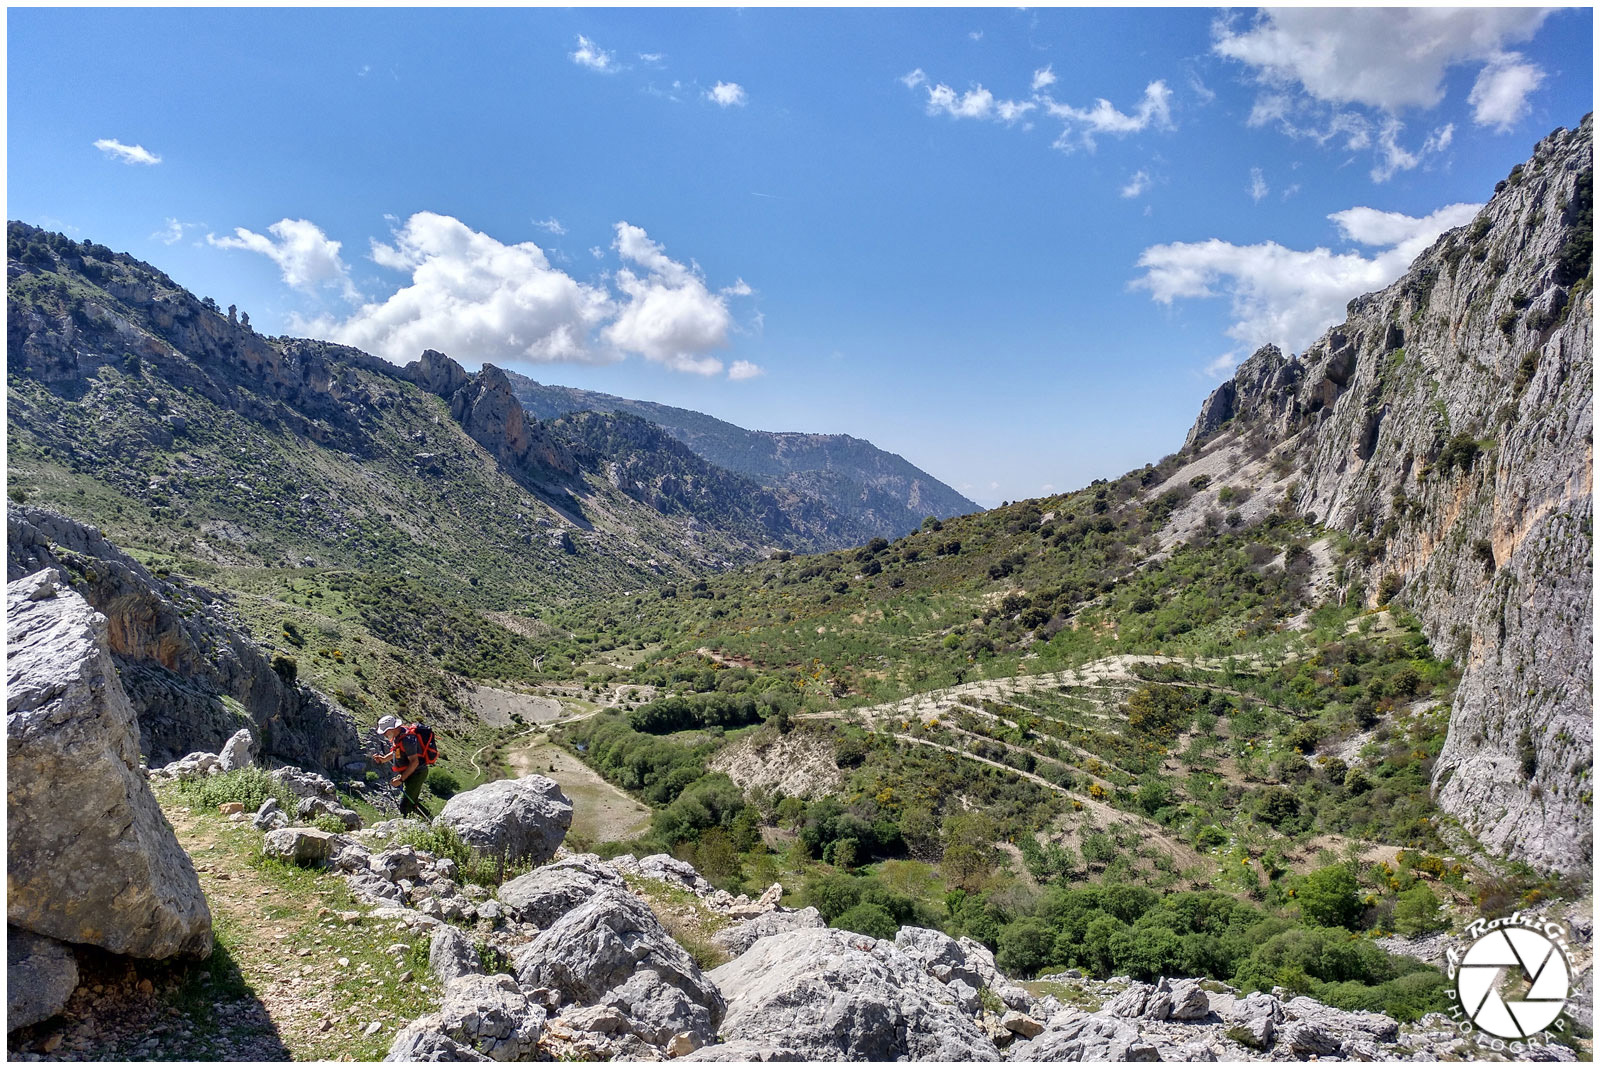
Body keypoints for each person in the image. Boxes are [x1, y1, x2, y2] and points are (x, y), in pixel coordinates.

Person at [372, 714, 431, 819]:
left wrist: (401, 779)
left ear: (392, 729)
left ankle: (412, 829)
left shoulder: (407, 739)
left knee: (405, 805)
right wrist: (384, 759)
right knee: (412, 802)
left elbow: (414, 762)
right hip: (411, 774)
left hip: (417, 773)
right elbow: (397, 751)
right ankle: (433, 821)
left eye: (385, 732)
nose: (384, 735)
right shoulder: (399, 736)